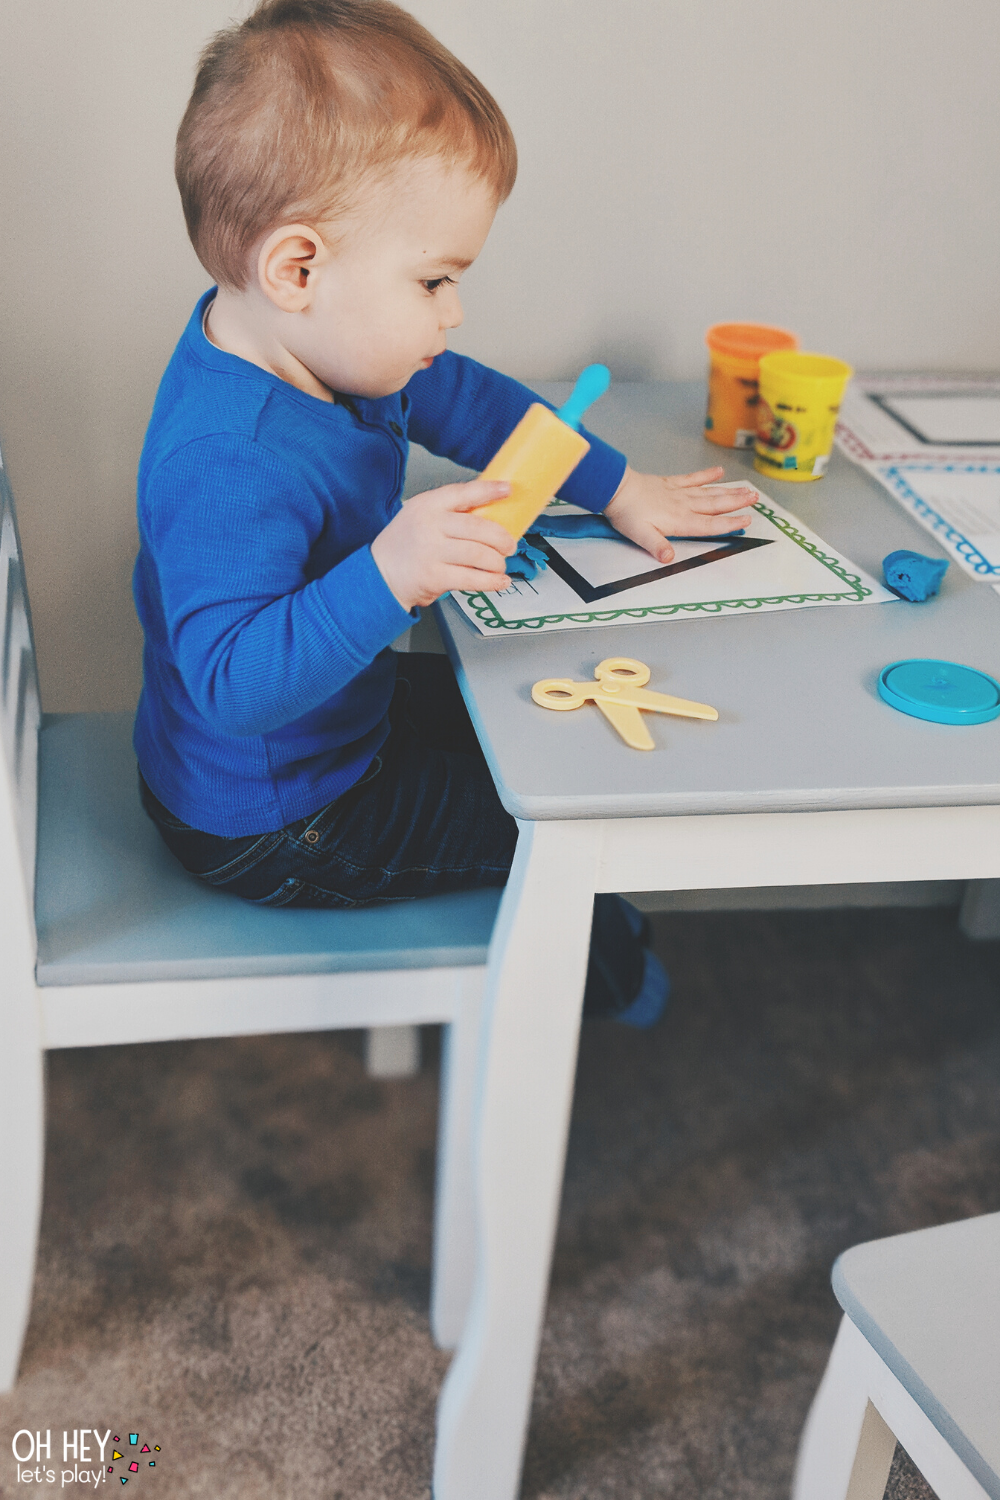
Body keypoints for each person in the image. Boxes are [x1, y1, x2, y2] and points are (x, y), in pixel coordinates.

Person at [134, 0, 755, 1025]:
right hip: (277, 820)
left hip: (326, 741)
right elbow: (234, 686)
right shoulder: (228, 459)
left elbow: (464, 396)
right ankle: (622, 986)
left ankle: (601, 946)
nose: (451, 311)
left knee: (543, 728)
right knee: (565, 827)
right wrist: (389, 573)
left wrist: (619, 487)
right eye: (433, 280)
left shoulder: (323, 349)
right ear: (298, 269)